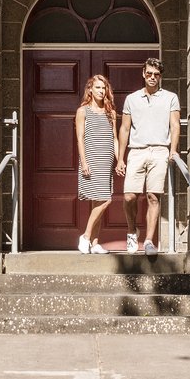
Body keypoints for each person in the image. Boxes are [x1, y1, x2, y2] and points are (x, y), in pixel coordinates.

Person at [116, 56, 180, 254]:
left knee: (153, 196)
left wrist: (173, 149)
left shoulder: (170, 97)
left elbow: (175, 125)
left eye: (156, 74)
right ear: (143, 74)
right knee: (129, 197)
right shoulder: (132, 99)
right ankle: (131, 231)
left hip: (160, 150)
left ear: (160, 76)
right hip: (136, 150)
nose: (153, 77)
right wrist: (120, 158)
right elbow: (124, 128)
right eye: (149, 73)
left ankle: (149, 241)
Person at [74, 73, 119, 254]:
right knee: (106, 200)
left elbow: (115, 139)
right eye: (98, 87)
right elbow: (80, 138)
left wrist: (119, 160)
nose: (101, 91)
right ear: (90, 90)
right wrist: (84, 162)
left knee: (98, 202)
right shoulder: (82, 111)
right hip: (91, 160)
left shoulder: (111, 113)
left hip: (106, 161)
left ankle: (95, 243)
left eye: (104, 87)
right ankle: (85, 236)